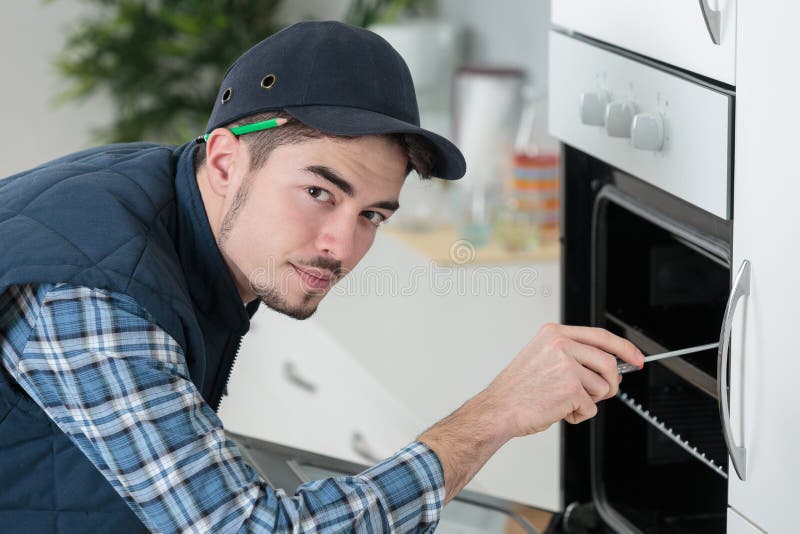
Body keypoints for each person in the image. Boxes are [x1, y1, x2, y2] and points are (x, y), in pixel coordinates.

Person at [0, 20, 644, 533]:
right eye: (318, 192)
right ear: (226, 161)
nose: (341, 247)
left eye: (372, 214)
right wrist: (494, 414)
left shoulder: (160, 190)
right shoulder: (92, 300)